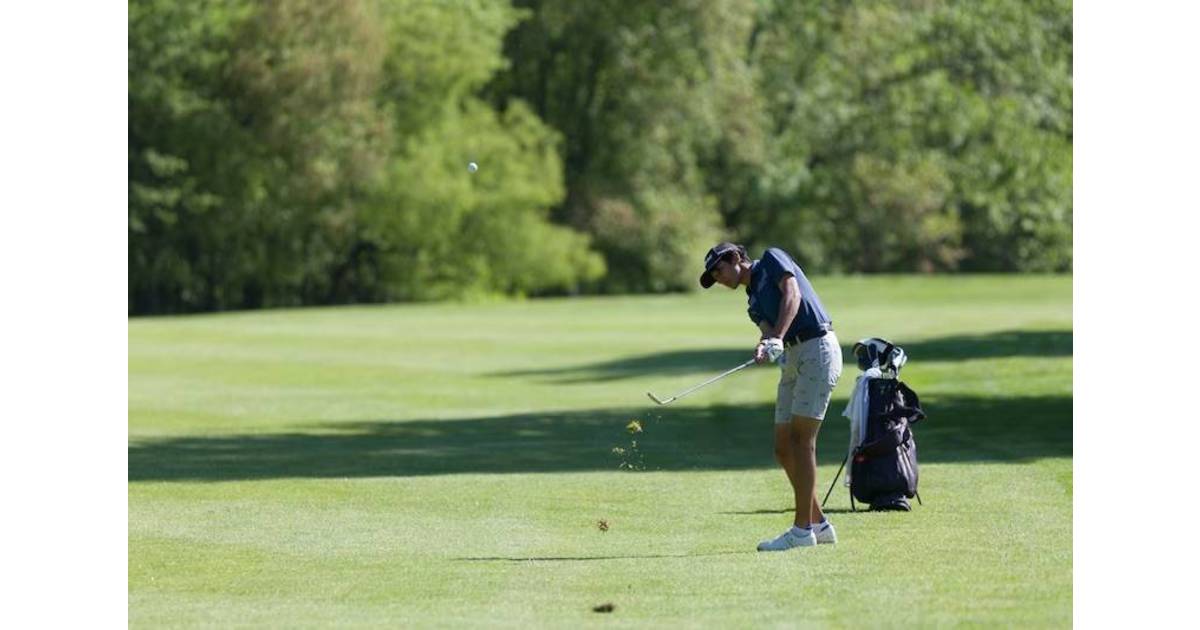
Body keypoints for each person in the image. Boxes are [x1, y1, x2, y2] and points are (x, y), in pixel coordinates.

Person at [699, 242, 843, 551]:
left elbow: (793, 295)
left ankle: (802, 531)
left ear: (736, 258)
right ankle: (819, 524)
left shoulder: (772, 260)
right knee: (782, 446)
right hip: (792, 357)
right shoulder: (751, 302)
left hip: (817, 348)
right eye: (713, 276)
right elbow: (766, 330)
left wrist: (776, 336)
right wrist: (765, 344)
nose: (719, 279)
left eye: (719, 270)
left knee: (802, 441)